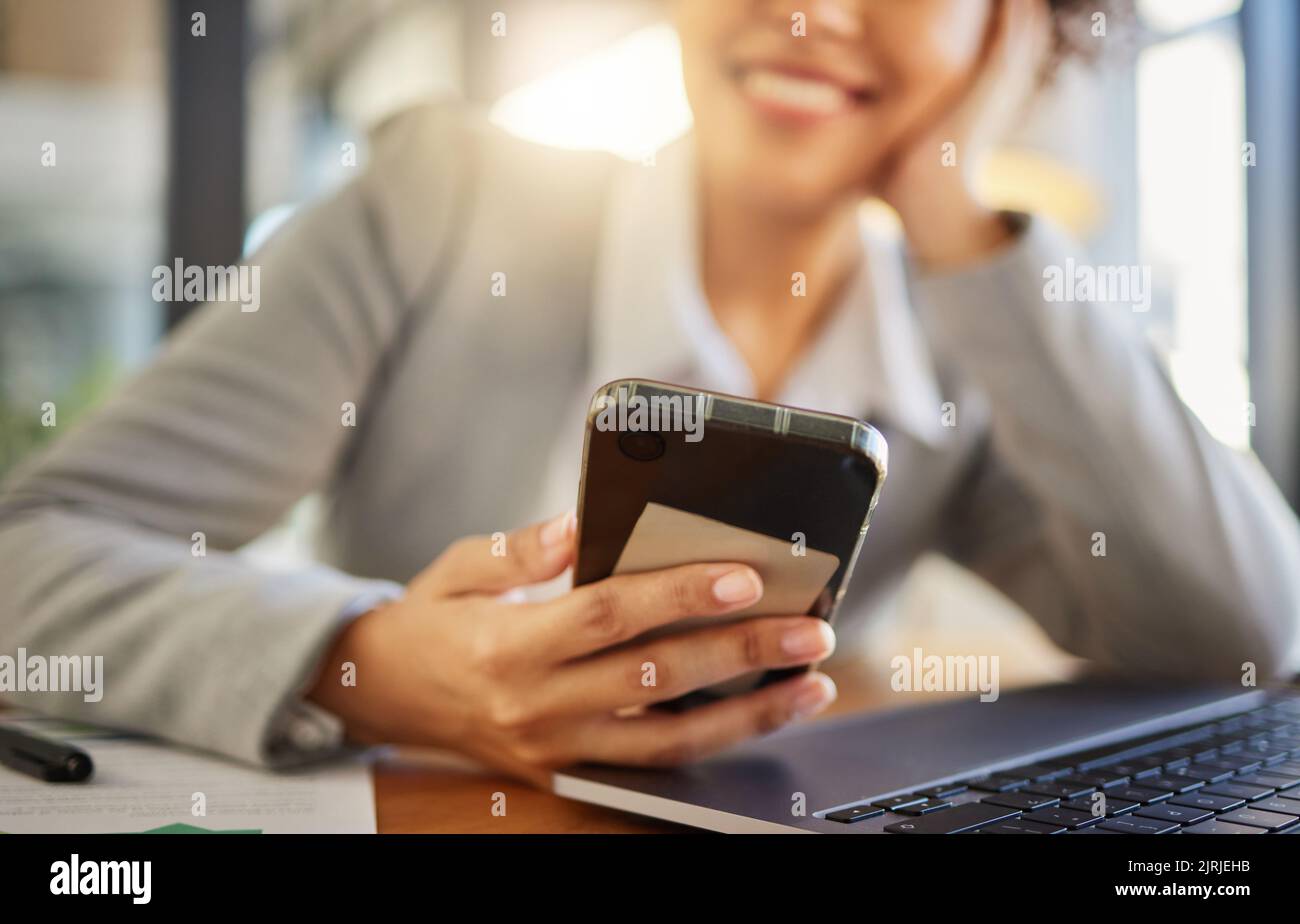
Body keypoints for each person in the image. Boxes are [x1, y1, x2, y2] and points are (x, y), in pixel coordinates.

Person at [1, 0, 1296, 785]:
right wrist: (365, 663)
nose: (815, 12)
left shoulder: (974, 352)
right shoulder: (437, 205)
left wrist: (963, 214)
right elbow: (25, 570)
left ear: (1011, 28)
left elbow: (1241, 629)